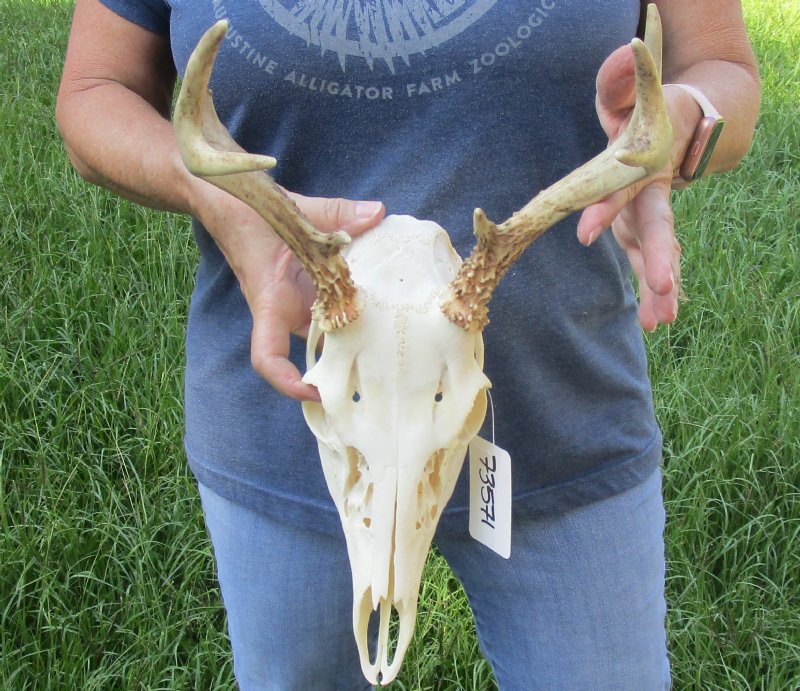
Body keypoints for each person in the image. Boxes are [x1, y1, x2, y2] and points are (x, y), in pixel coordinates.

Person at [56, 1, 759, 689]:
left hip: (563, 414)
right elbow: (94, 92)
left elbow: (721, 66)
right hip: (294, 426)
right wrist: (215, 195)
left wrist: (684, 119)